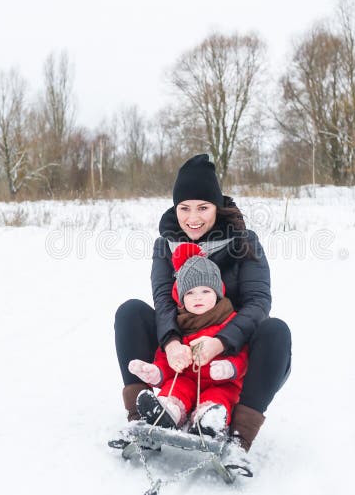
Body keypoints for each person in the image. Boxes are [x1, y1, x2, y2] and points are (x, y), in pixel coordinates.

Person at [114, 154, 292, 452]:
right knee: (130, 311)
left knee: (276, 330)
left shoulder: (244, 241)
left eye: (202, 208)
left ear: (216, 207)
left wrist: (220, 342)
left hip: (231, 356)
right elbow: (163, 301)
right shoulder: (165, 244)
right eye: (184, 208)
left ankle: (238, 436)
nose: (192, 218)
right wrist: (171, 343)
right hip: (181, 357)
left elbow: (258, 303)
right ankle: (143, 419)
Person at [129, 242, 248, 436]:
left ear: (218, 293)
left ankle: (208, 420)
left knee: (219, 397)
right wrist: (157, 372)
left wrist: (229, 367)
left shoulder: (229, 322)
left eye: (205, 291)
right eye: (190, 293)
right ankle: (167, 412)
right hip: (186, 379)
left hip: (219, 382)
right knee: (175, 389)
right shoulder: (178, 324)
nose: (197, 298)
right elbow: (165, 357)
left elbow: (242, 353)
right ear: (181, 298)